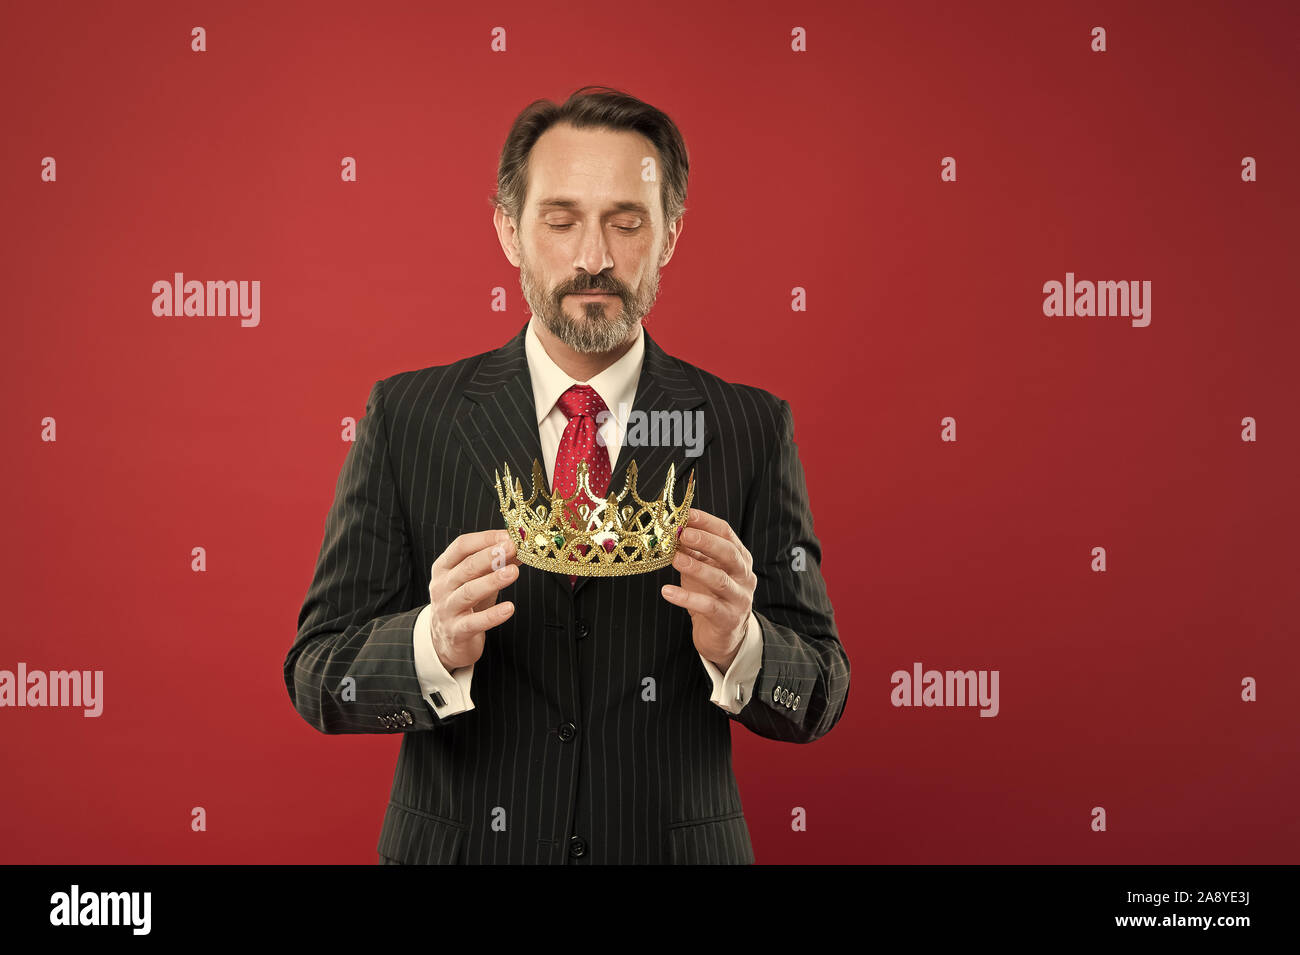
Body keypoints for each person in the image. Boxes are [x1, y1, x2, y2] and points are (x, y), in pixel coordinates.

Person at [284, 86, 850, 864]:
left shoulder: (748, 428)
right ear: (510, 232)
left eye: (628, 222)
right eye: (561, 221)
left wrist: (742, 644)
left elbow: (821, 692)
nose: (595, 257)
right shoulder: (408, 416)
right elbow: (318, 672)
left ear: (671, 235)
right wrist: (430, 643)